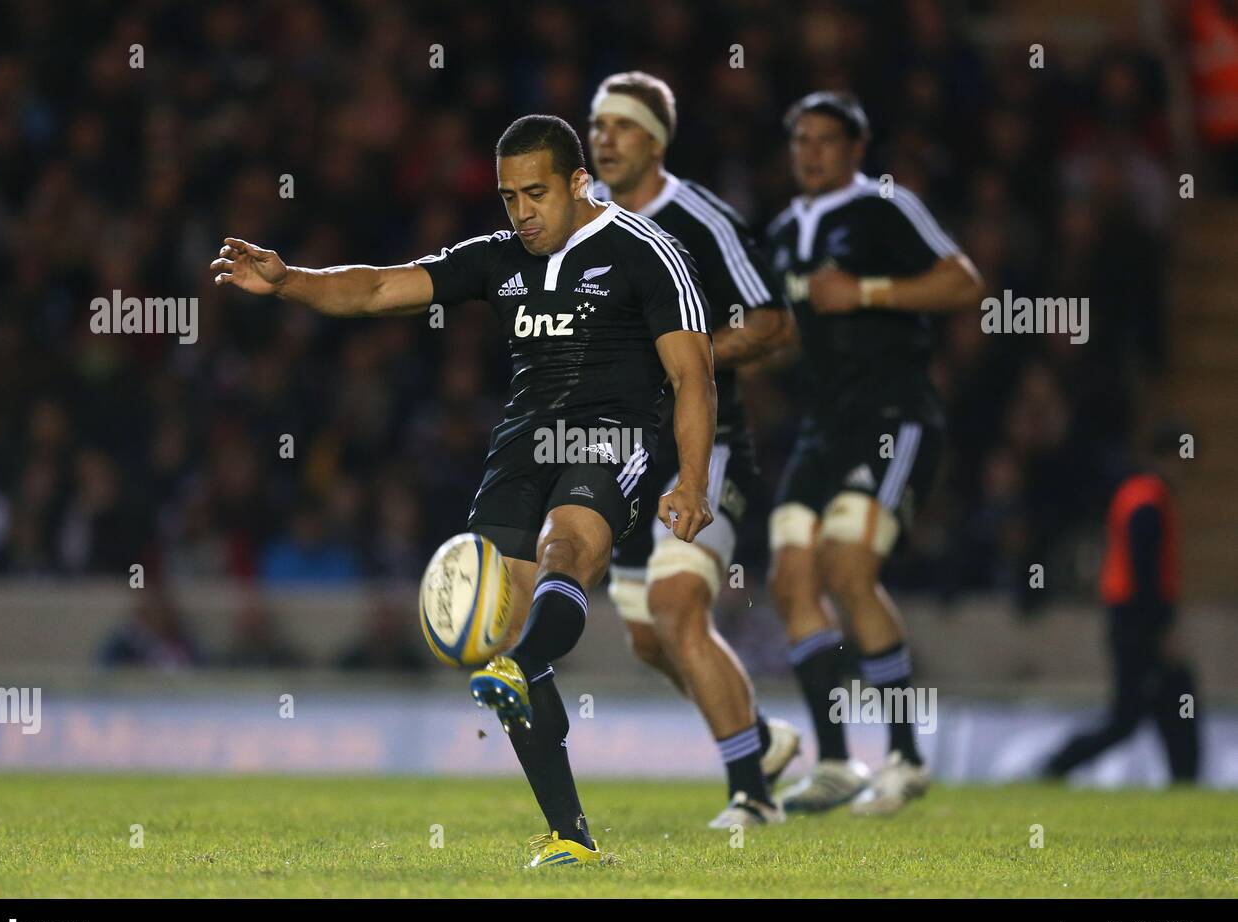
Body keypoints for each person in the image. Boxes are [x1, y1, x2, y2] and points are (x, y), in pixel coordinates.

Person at [212, 114, 716, 866]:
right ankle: (570, 836)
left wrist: (695, 480)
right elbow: (381, 287)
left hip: (610, 436)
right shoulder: (498, 258)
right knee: (498, 624)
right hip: (520, 445)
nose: (522, 213)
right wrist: (290, 282)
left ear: (579, 183)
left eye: (536, 193)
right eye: (510, 197)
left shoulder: (648, 253)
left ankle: (523, 669)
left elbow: (692, 374)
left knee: (564, 550)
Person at [588, 71, 801, 828]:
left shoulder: (701, 218)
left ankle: (753, 791)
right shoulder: (586, 226)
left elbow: (775, 323)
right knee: (650, 637)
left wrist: (685, 353)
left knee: (678, 606)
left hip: (702, 448)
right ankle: (763, 735)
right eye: (597, 124)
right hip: (621, 456)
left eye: (619, 124)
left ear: (655, 139)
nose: (603, 138)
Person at [764, 92, 984, 815]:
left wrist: (866, 289)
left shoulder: (884, 206)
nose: (812, 151)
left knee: (849, 567)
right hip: (821, 428)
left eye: (827, 139)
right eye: (802, 139)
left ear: (856, 150)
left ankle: (906, 757)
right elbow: (795, 330)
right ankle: (834, 761)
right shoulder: (783, 230)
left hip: (895, 418)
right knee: (793, 578)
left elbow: (963, 280)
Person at [1043, 425, 1200, 783]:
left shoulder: (1135, 495)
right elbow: (1145, 571)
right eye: (1183, 457)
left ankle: (1185, 777)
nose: (1186, 468)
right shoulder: (1148, 501)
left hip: (1128, 618)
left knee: (1156, 704)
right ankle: (1058, 764)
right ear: (1165, 457)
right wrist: (1162, 628)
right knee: (1142, 710)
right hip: (1137, 621)